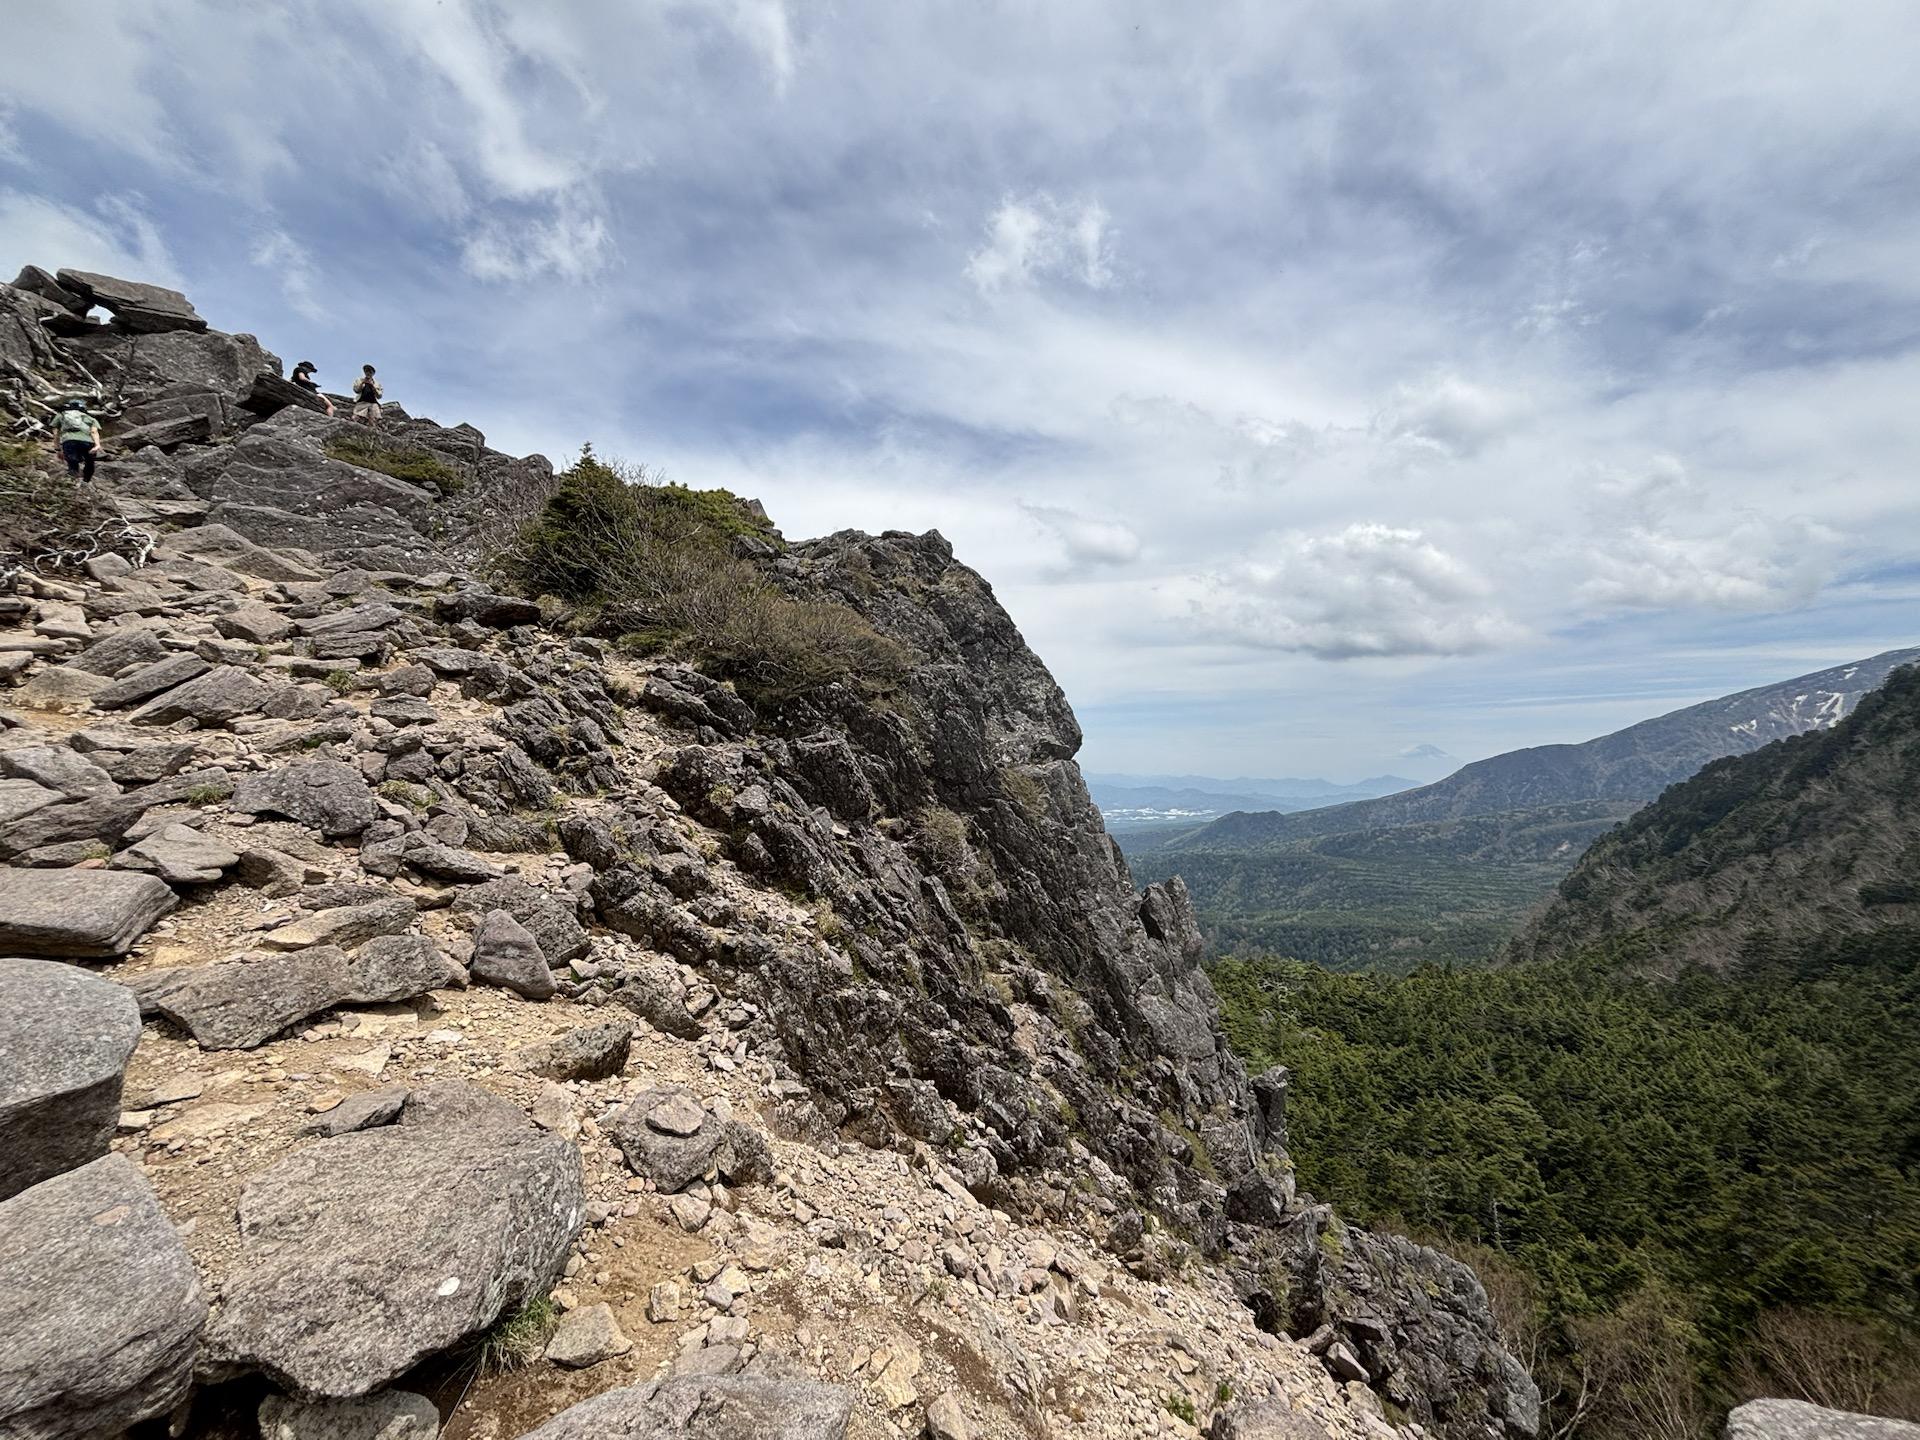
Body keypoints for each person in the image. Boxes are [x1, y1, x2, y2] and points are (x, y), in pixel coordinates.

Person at [54, 397, 101, 482]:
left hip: (69, 440)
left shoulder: (62, 415)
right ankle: (86, 481)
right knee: (90, 462)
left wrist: (57, 448)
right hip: (87, 442)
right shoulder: (89, 417)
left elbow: (56, 433)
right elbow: (94, 431)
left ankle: (73, 481)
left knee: (72, 462)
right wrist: (97, 445)